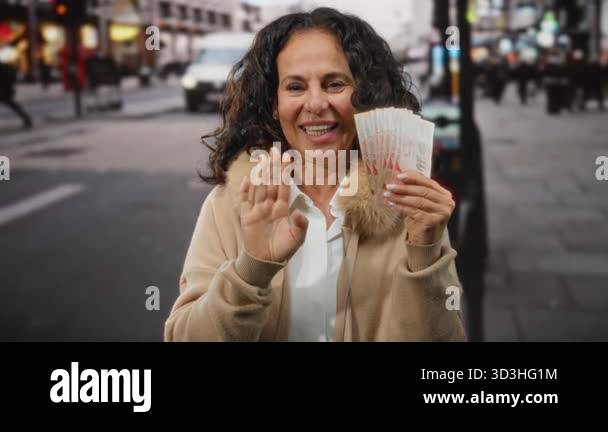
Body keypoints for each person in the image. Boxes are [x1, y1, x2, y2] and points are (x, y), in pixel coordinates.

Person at [164, 8, 465, 342]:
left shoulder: (407, 201)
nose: (316, 103)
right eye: (295, 87)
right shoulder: (230, 204)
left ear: (363, 96)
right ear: (274, 104)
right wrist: (252, 270)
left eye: (334, 84)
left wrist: (424, 252)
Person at [0, 60, 32, 130]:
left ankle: (27, 119)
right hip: (5, 90)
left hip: (4, 91)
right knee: (13, 105)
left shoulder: (3, 67)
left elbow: (7, 79)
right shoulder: (4, 66)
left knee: (13, 105)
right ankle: (27, 119)